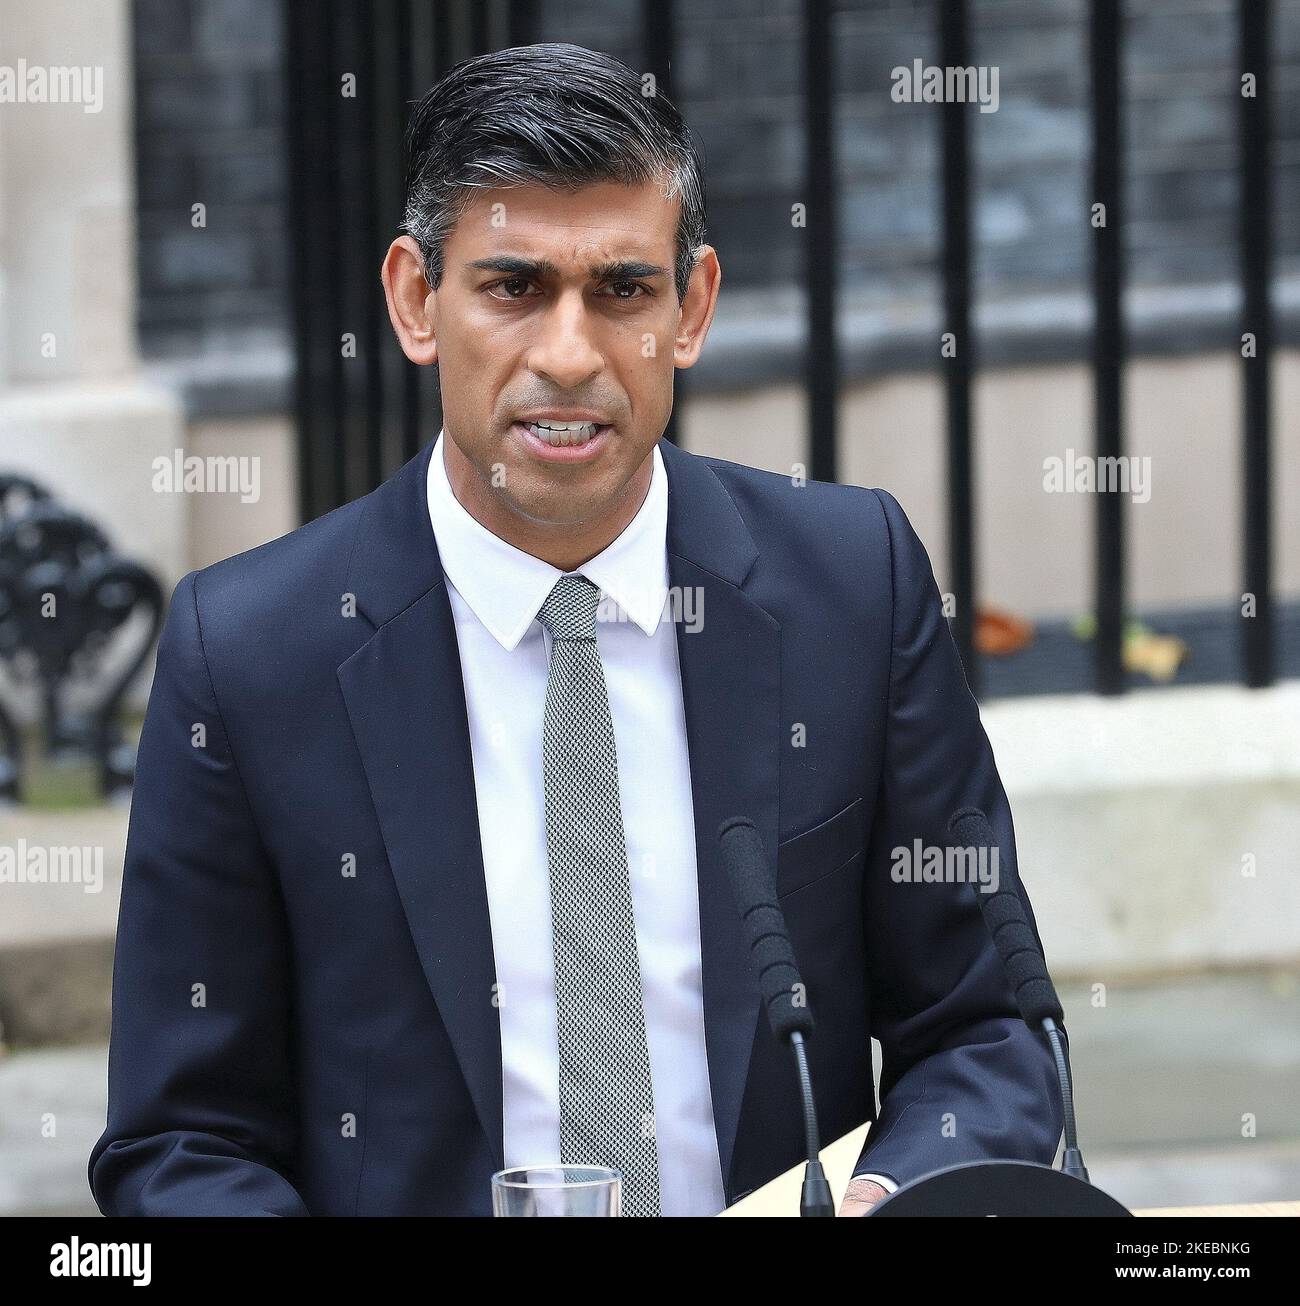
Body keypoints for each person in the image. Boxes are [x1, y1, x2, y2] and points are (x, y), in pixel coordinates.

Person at [90, 42, 1061, 1217]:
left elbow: (983, 1027)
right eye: (511, 288)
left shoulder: (851, 586)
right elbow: (184, 1143)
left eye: (621, 290)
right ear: (415, 301)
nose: (568, 353)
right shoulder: (248, 652)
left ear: (691, 307)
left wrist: (901, 1193)